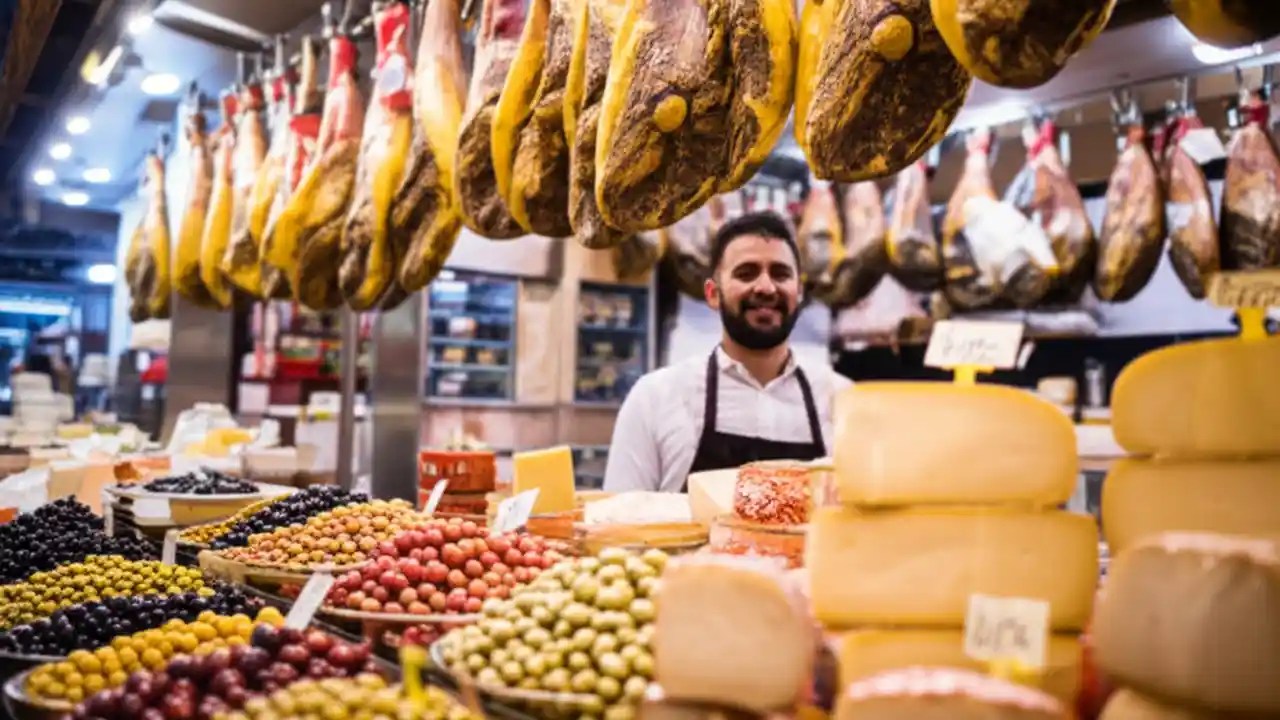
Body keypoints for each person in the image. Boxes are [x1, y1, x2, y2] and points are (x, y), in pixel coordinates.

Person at [603, 211, 853, 493]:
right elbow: (617, 521)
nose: (766, 287)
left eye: (780, 274)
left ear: (799, 291)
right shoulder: (656, 399)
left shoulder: (844, 403)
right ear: (713, 293)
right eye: (746, 273)